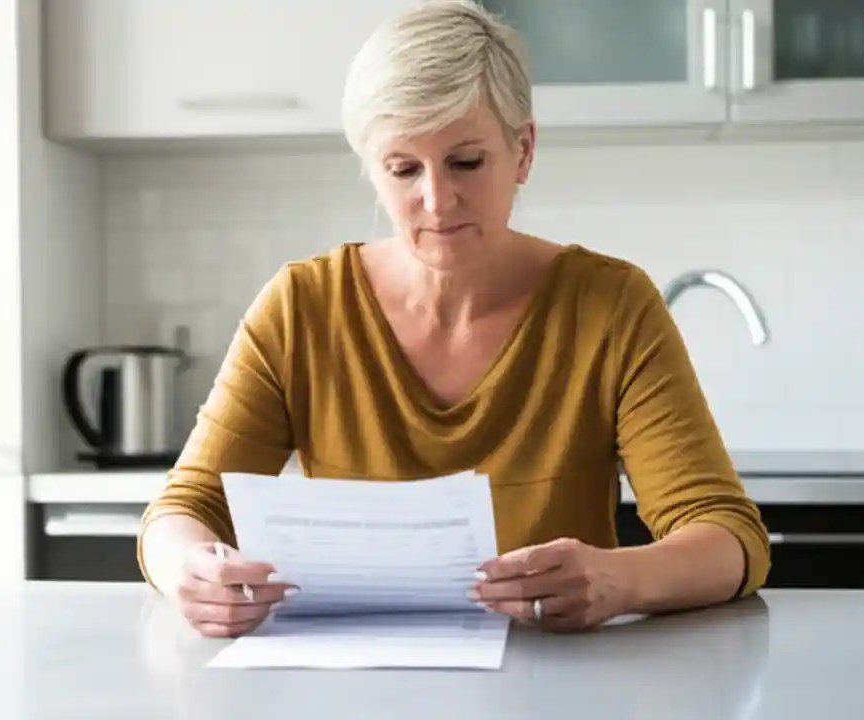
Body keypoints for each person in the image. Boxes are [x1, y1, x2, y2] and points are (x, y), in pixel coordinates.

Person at [136, 0, 769, 637]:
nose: (437, 201)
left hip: (562, 687)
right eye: (404, 168)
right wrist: (192, 569)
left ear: (522, 152)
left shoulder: (610, 305)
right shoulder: (301, 307)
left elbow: (730, 537)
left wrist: (621, 579)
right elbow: (184, 508)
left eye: (466, 162)